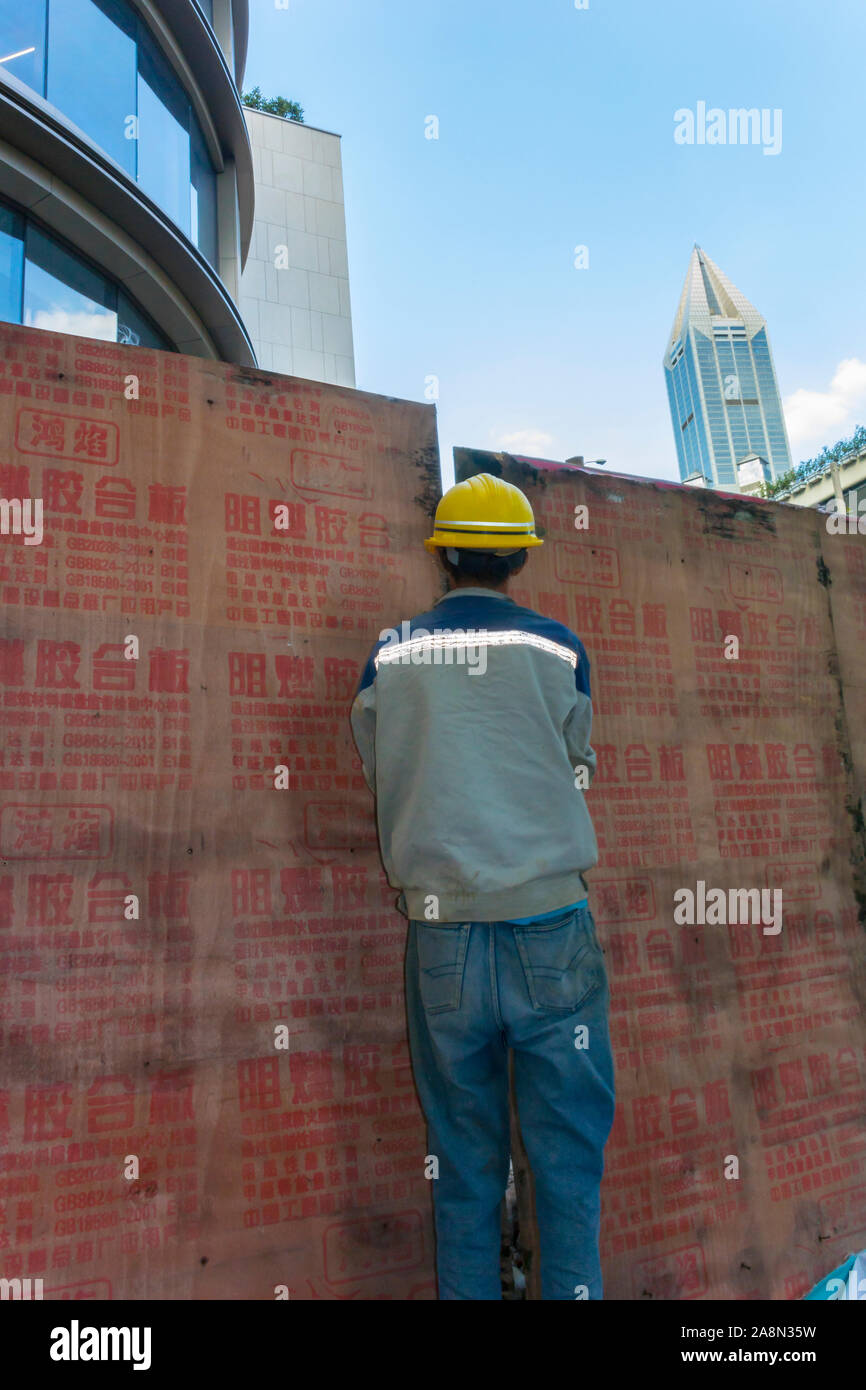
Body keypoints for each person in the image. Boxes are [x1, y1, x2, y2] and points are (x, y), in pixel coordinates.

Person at [350, 472, 615, 1300]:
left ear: (444, 558)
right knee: (567, 1158)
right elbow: (578, 768)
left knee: (463, 1163)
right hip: (551, 930)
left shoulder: (392, 653)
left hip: (443, 938)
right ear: (519, 564)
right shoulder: (558, 650)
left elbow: (383, 765)